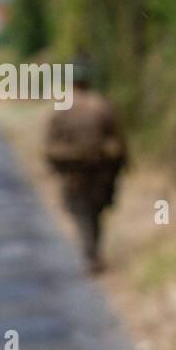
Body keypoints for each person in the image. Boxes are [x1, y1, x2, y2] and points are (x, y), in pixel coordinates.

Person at [43, 59, 127, 274]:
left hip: (74, 171)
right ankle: (92, 253)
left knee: (82, 211)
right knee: (94, 211)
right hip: (99, 170)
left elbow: (50, 145)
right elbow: (118, 141)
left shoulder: (62, 107)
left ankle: (90, 254)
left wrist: (57, 165)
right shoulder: (102, 105)